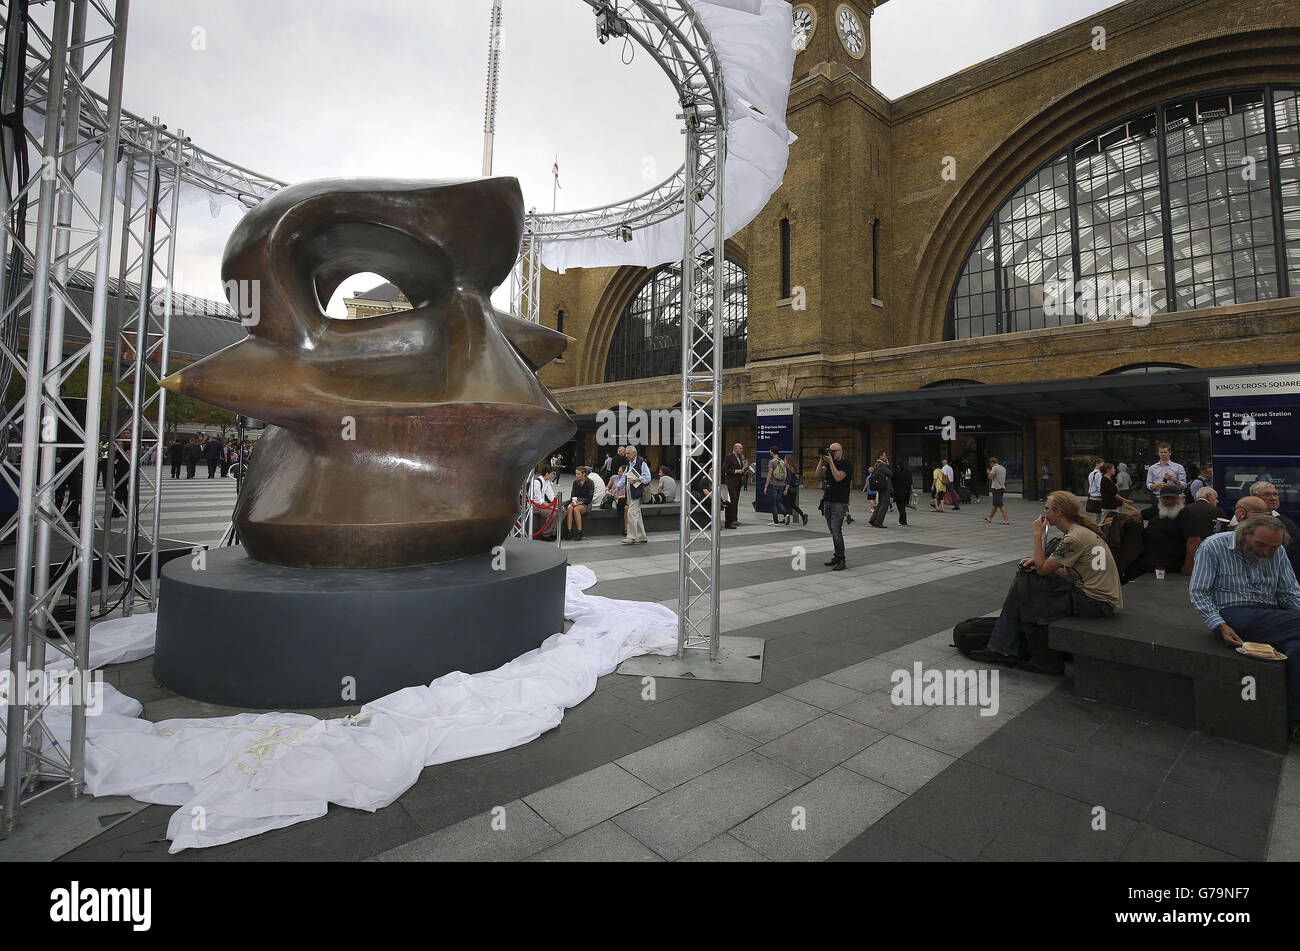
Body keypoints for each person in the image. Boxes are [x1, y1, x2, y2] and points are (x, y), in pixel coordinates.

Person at [972, 491, 1122, 674]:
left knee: (1027, 589)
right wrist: (1038, 561)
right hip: (1096, 597)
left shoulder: (1074, 537)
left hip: (1095, 602)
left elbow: (1043, 570)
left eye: (1046, 508)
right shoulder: (1079, 532)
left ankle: (1025, 654)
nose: (1043, 511)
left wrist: (1037, 534)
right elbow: (1068, 572)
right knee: (1026, 582)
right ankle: (1004, 648)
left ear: (1058, 512)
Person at [1189, 515, 1300, 742]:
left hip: (1272, 615)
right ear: (1245, 534)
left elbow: (1290, 592)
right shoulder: (1213, 546)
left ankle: (1296, 720)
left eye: (1273, 547)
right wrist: (1218, 624)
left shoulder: (1277, 551)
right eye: (1261, 545)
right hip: (1233, 616)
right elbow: (1199, 591)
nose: (1267, 552)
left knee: (1298, 649)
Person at [1125, 484, 1196, 581]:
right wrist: (1117, 518)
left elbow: (1194, 541)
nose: (1169, 501)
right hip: (1148, 557)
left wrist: (1188, 566)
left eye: (1172, 498)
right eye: (1166, 498)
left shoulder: (1186, 514)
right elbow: (1139, 514)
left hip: (1170, 562)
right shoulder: (1158, 509)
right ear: (1160, 499)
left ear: (1179, 498)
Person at [1248, 481, 1300, 579]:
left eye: (1275, 494)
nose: (1273, 498)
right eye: (1267, 495)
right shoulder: (1245, 520)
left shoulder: (1283, 520)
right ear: (1254, 498)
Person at [815, 443, 853, 570]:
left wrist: (831, 462)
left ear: (841, 451)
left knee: (836, 530)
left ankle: (841, 559)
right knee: (832, 530)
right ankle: (837, 556)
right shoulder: (828, 462)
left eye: (834, 451)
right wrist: (821, 460)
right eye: (830, 451)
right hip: (828, 500)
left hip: (839, 501)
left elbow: (838, 477)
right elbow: (817, 474)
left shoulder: (846, 464)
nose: (831, 453)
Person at [621, 446, 652, 545]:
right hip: (630, 491)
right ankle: (642, 536)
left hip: (638, 491)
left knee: (631, 512)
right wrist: (618, 487)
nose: (626, 456)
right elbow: (624, 477)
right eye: (626, 454)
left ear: (634, 453)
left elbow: (647, 477)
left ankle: (631, 537)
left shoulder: (642, 462)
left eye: (628, 453)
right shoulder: (629, 464)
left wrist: (636, 479)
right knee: (636, 513)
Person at [529, 465, 559, 540]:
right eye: (552, 474)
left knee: (563, 511)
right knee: (553, 514)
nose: (553, 476)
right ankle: (545, 534)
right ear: (547, 474)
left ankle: (553, 532)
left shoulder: (547, 482)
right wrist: (551, 507)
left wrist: (558, 504)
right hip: (534, 506)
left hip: (542, 504)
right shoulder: (536, 482)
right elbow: (539, 500)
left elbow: (551, 495)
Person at [564, 466, 594, 540]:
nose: (576, 475)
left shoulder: (590, 482)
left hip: (586, 503)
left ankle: (579, 532)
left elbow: (589, 499)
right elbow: (572, 495)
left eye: (578, 474)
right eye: (576, 474)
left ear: (584, 474)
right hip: (576, 501)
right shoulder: (575, 482)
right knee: (569, 507)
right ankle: (569, 531)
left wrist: (580, 502)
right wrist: (574, 502)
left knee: (576, 509)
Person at [867, 450, 894, 528]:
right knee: (884, 505)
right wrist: (888, 464)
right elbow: (890, 473)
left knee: (880, 504)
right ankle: (878, 522)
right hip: (885, 487)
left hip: (880, 486)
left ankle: (872, 520)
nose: (886, 457)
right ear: (880, 457)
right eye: (884, 456)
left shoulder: (877, 464)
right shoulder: (881, 465)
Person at [764, 445, 789, 525]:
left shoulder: (772, 462)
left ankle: (775, 522)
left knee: (773, 503)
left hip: (774, 484)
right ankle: (786, 514)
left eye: (770, 451)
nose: (769, 452)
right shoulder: (782, 461)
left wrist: (766, 486)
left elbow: (769, 475)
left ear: (772, 452)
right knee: (779, 501)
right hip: (782, 484)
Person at [723, 443, 747, 529]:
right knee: (733, 499)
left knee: (736, 500)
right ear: (735, 448)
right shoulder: (729, 456)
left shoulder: (740, 457)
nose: (742, 450)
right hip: (731, 482)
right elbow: (725, 469)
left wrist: (743, 470)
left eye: (742, 448)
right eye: (740, 448)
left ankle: (735, 518)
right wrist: (736, 471)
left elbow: (740, 467)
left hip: (738, 482)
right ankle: (731, 520)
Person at [783, 453, 807, 525]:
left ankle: (786, 517)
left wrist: (785, 490)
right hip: (794, 490)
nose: (784, 460)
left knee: (784, 503)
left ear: (787, 460)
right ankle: (803, 515)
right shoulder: (794, 469)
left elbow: (788, 480)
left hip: (789, 489)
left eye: (785, 459)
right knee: (792, 504)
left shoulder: (788, 469)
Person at [984, 456, 1009, 524]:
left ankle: (1006, 520)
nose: (990, 466)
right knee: (995, 504)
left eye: (990, 464)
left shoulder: (994, 468)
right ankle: (989, 517)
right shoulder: (1003, 468)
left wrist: (989, 472)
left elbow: (991, 477)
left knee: (1000, 504)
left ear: (992, 463)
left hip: (996, 488)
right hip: (1002, 487)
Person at [891, 457, 913, 526]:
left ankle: (903, 521)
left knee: (900, 507)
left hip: (898, 492)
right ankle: (903, 521)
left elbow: (892, 481)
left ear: (898, 465)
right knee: (903, 506)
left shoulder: (896, 472)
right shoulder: (908, 471)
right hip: (906, 492)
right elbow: (911, 482)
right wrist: (911, 490)